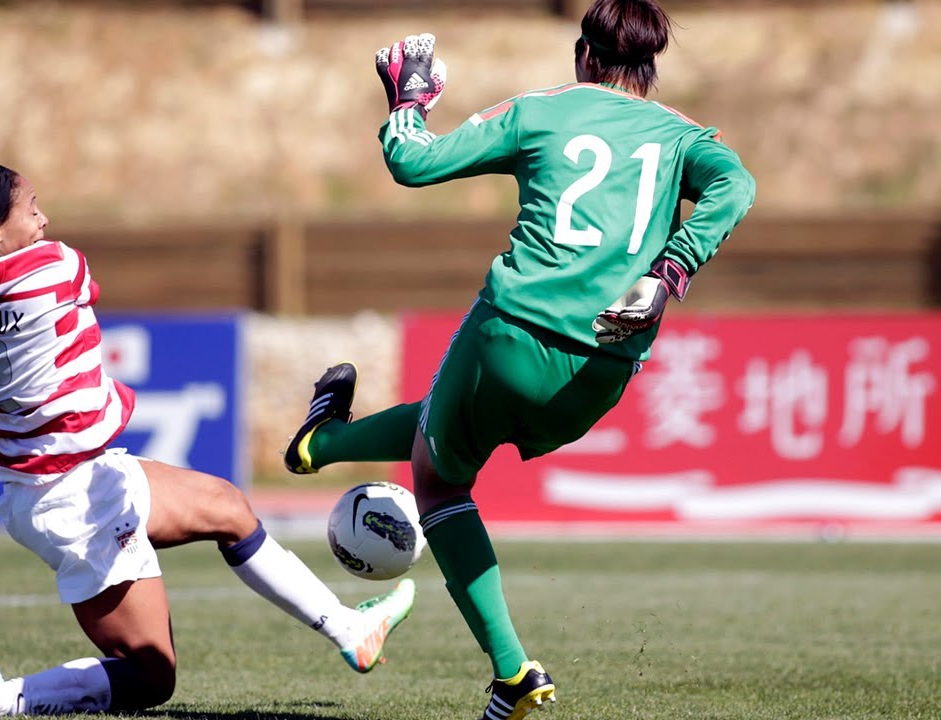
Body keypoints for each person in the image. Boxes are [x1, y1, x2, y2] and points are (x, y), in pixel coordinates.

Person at [0, 87, 416, 719]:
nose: (44, 215)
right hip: (75, 500)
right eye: (29, 207)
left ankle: (348, 628)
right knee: (151, 678)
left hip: (68, 481)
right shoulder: (53, 268)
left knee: (227, 507)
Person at [282, 2, 755, 719]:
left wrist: (408, 100)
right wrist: (669, 272)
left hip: (514, 328)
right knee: (448, 432)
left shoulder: (544, 111)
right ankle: (318, 444)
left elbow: (412, 161)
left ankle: (512, 674)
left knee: (439, 480)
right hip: (605, 365)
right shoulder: (684, 138)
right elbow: (738, 186)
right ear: (650, 69)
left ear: (584, 56)